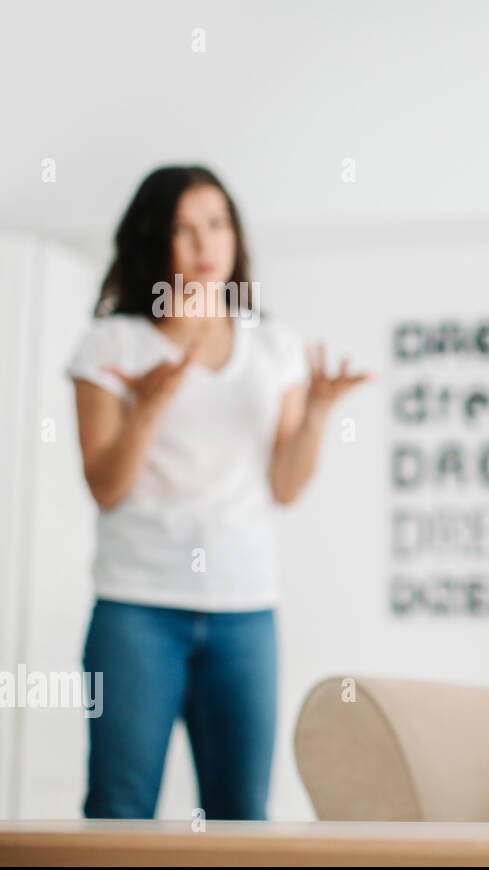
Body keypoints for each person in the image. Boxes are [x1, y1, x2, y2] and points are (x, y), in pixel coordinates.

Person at [65, 165, 371, 820]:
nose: (204, 243)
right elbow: (106, 487)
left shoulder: (274, 346)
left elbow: (286, 488)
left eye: (216, 223)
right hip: (136, 608)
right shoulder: (111, 344)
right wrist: (149, 406)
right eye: (181, 227)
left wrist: (316, 411)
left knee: (241, 819)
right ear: (152, 241)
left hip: (245, 609)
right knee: (118, 809)